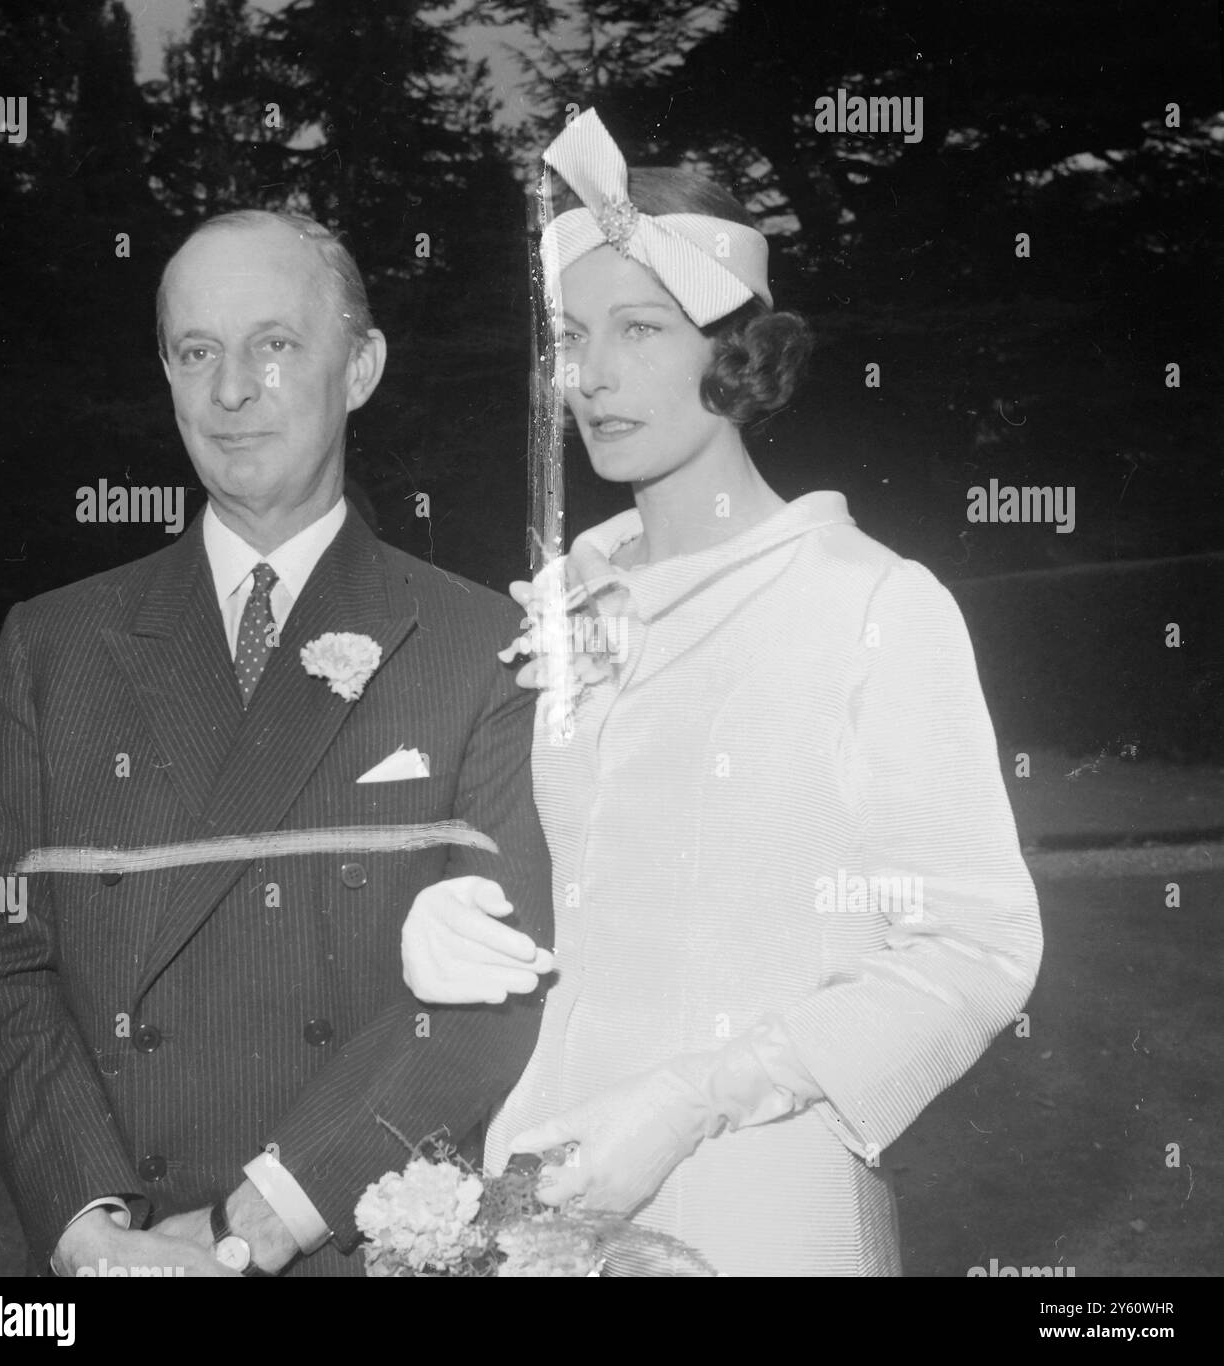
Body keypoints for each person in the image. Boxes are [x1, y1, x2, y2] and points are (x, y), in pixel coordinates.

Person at [401, 110, 1044, 1276]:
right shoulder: (567, 602)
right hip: (548, 1186)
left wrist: (698, 1095)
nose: (591, 376)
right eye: (572, 335)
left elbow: (975, 944)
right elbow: (592, 897)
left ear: (734, 352)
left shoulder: (867, 604)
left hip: (763, 1199)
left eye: (639, 329)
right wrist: (443, 909)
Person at [0, 209, 553, 1278]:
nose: (231, 389)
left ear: (360, 366)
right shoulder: (53, 645)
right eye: (197, 352)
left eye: (274, 345)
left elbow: (495, 987)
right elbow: (9, 961)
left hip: (348, 1235)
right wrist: (86, 1226)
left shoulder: (480, 644)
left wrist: (262, 1215)